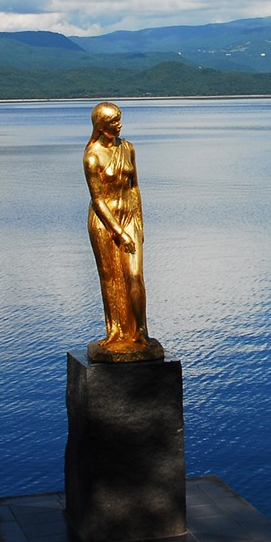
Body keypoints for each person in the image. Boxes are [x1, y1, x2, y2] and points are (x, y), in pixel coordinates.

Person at [83, 102, 163, 361]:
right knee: (109, 278)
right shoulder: (92, 156)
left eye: (120, 120)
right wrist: (118, 231)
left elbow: (134, 187)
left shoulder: (128, 148)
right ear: (100, 126)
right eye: (113, 122)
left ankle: (140, 332)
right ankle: (116, 332)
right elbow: (97, 200)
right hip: (104, 222)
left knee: (134, 274)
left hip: (129, 217)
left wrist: (138, 223)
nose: (119, 125)